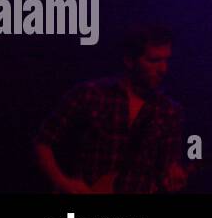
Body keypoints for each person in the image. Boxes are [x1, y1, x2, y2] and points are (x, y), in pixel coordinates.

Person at [34, 24, 186, 194]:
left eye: (166, 60)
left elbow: (168, 168)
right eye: (154, 61)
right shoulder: (90, 95)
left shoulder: (170, 112)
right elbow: (43, 141)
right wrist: (63, 183)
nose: (163, 69)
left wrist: (174, 178)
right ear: (129, 61)